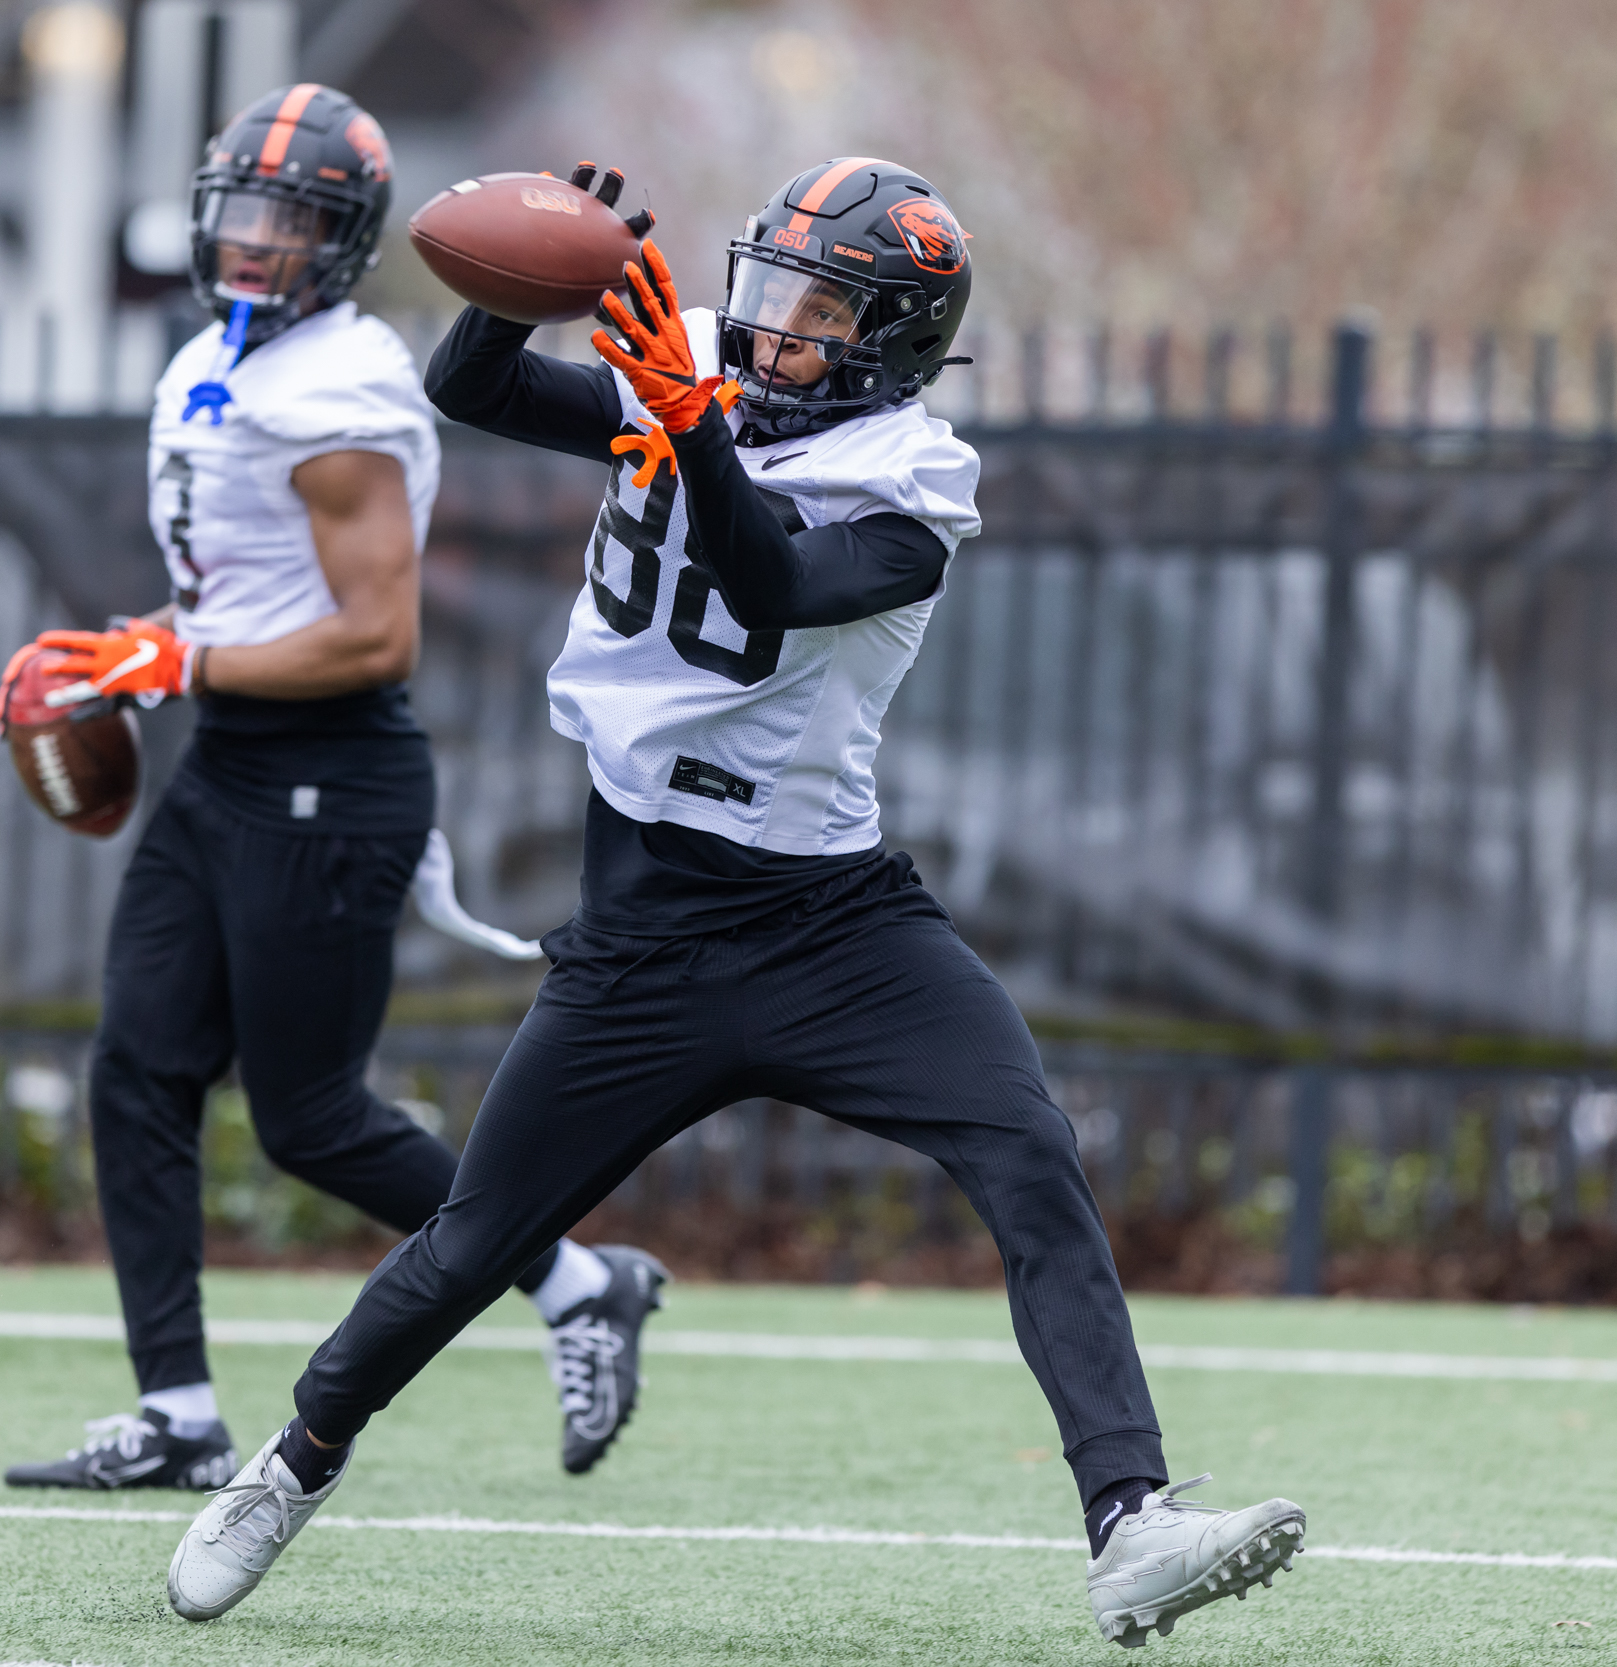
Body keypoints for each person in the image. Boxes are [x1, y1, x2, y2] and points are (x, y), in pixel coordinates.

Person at [156, 155, 1308, 1647]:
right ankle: (292, 1465)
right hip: (645, 926)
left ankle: (1129, 1520)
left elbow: (768, 583)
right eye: (769, 290)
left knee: (1029, 1151)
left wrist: (690, 421)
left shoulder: (913, 483)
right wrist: (534, 290)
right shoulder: (697, 373)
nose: (772, 332)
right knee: (473, 1237)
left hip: (834, 924)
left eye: (820, 310)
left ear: (893, 338)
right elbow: (476, 393)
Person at [0, 86, 666, 1496]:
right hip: (229, 761)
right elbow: (235, 600)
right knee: (137, 1070)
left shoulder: (344, 387)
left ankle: (576, 1282)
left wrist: (172, 658)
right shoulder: (211, 360)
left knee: (309, 1117)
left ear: (345, 239)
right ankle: (176, 1413)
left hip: (329, 774)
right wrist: (149, 651)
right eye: (240, 207)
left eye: (291, 217)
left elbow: (373, 637)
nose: (253, 239)